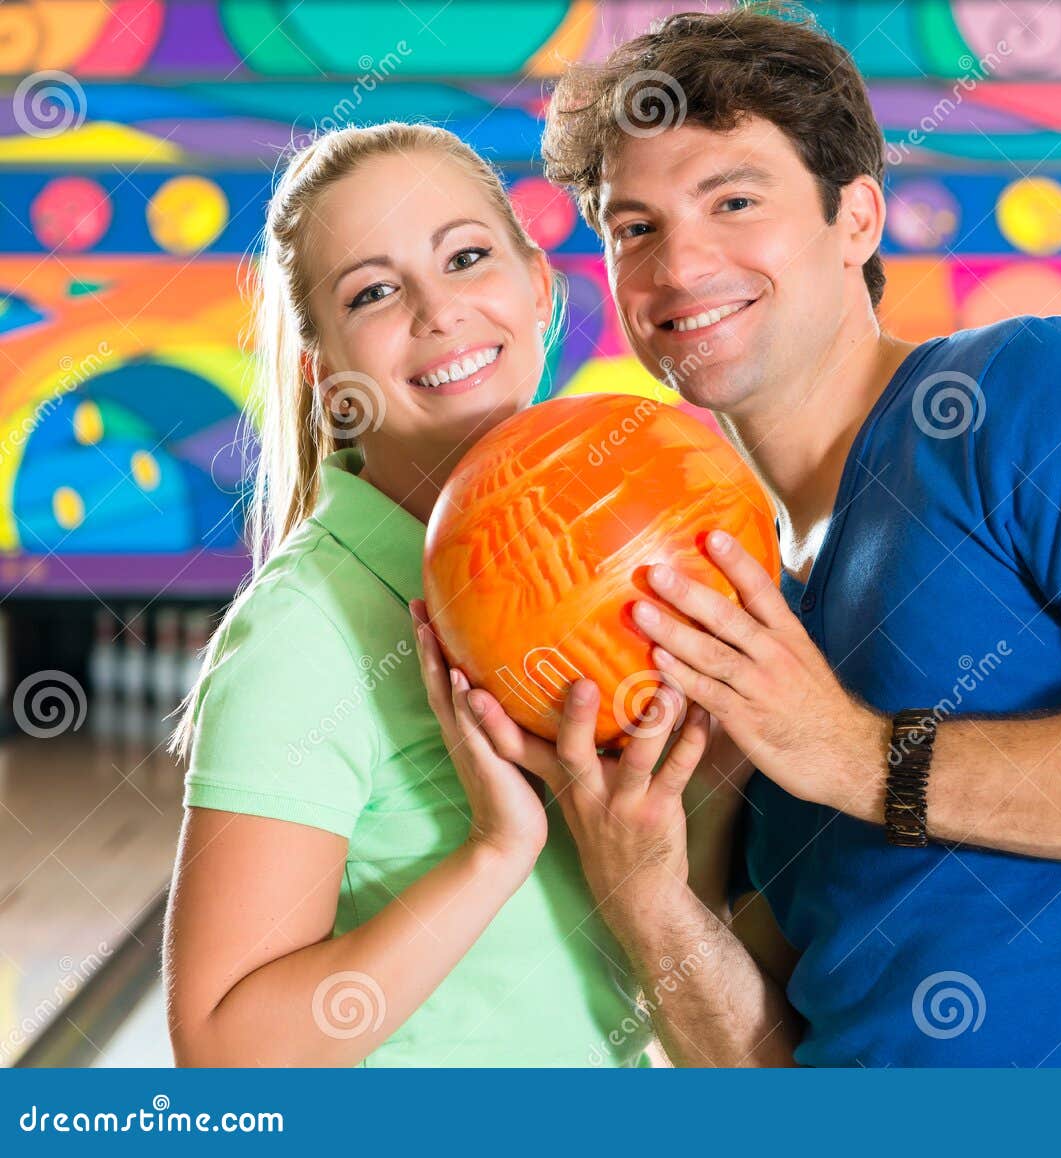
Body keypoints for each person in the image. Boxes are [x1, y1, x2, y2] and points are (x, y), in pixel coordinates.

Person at [448, 7, 1061, 1067]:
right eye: (634, 226)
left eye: (733, 201)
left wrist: (856, 755)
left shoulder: (1022, 392)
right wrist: (642, 892)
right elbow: (770, 1061)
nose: (679, 263)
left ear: (858, 220)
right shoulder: (727, 613)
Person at [162, 122, 699, 1066]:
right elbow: (224, 1051)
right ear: (325, 376)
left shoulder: (612, 547)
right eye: (373, 291)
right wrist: (496, 849)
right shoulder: (304, 634)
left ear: (537, 285)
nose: (439, 310)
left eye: (466, 257)